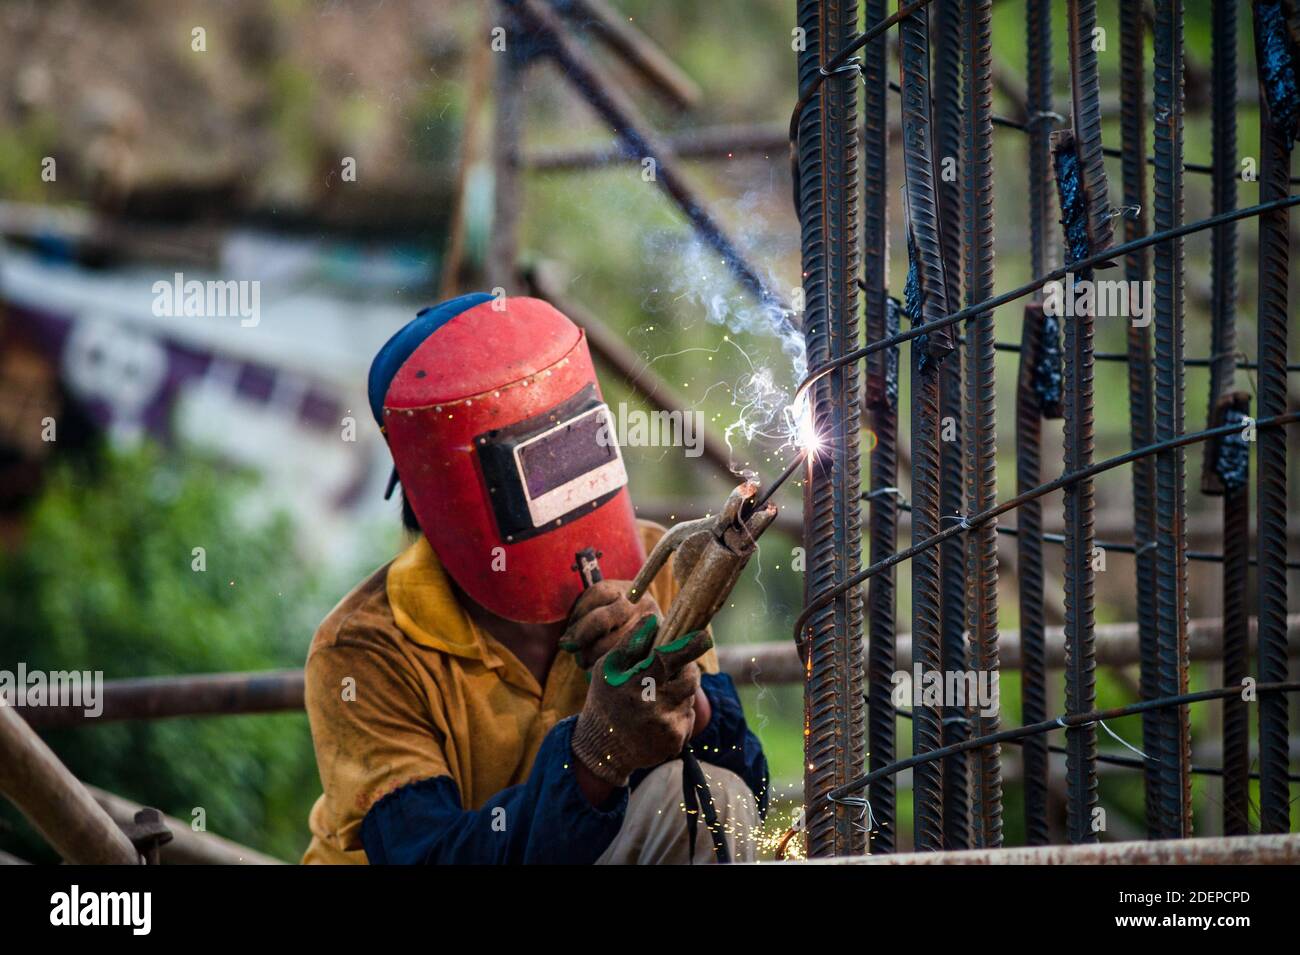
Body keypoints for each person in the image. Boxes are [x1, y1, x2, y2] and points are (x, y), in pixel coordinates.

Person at [301, 293, 768, 864]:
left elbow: (752, 789)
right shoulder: (366, 646)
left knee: (710, 802)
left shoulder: (654, 561)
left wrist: (685, 699)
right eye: (532, 468)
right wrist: (596, 756)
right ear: (444, 494)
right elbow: (423, 857)